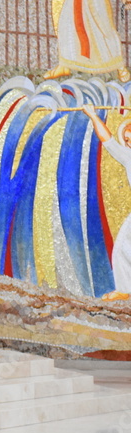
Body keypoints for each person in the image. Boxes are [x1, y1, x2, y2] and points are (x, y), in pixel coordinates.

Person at [82, 104, 131, 300]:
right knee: (121, 248)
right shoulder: (129, 157)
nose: (128, 141)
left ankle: (125, 290)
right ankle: (125, 290)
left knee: (122, 247)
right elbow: (108, 140)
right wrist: (93, 115)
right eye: (126, 139)